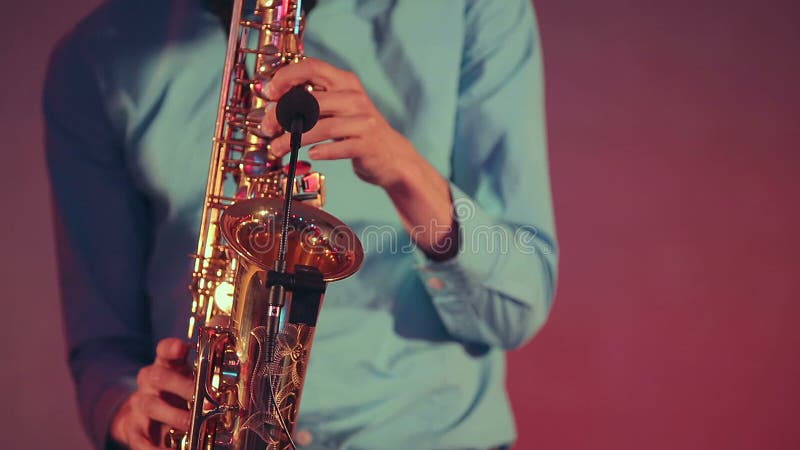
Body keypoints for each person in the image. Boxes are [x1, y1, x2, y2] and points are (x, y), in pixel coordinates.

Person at [44, 0, 558, 449]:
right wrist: (128, 411)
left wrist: (405, 171)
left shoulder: (475, 7)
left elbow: (517, 307)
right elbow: (103, 350)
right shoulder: (94, 58)